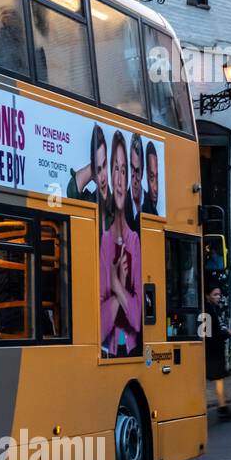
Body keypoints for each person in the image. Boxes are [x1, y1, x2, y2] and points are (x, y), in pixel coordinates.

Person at [99, 131, 142, 357]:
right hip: (108, 351)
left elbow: (137, 318)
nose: (118, 178)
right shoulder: (104, 242)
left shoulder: (134, 241)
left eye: (124, 171)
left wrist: (114, 287)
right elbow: (98, 324)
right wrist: (121, 292)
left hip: (132, 350)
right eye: (115, 168)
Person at [68, 123, 113, 229]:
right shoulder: (90, 201)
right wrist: (91, 167)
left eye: (104, 165)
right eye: (98, 169)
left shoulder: (117, 203)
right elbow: (72, 192)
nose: (102, 178)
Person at [204, 286, 231, 420]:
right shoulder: (209, 311)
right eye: (215, 294)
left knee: (219, 379)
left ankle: (223, 406)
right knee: (218, 379)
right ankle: (223, 408)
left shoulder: (213, 309)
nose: (218, 297)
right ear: (208, 295)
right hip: (212, 351)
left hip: (214, 350)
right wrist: (227, 334)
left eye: (219, 294)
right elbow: (212, 334)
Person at [127, 133, 145, 231]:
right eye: (132, 169)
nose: (134, 181)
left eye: (137, 171)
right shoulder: (118, 206)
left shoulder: (151, 209)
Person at [142, 142, 160, 217]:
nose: (155, 188)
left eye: (157, 179)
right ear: (146, 175)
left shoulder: (154, 212)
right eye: (152, 178)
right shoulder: (144, 208)